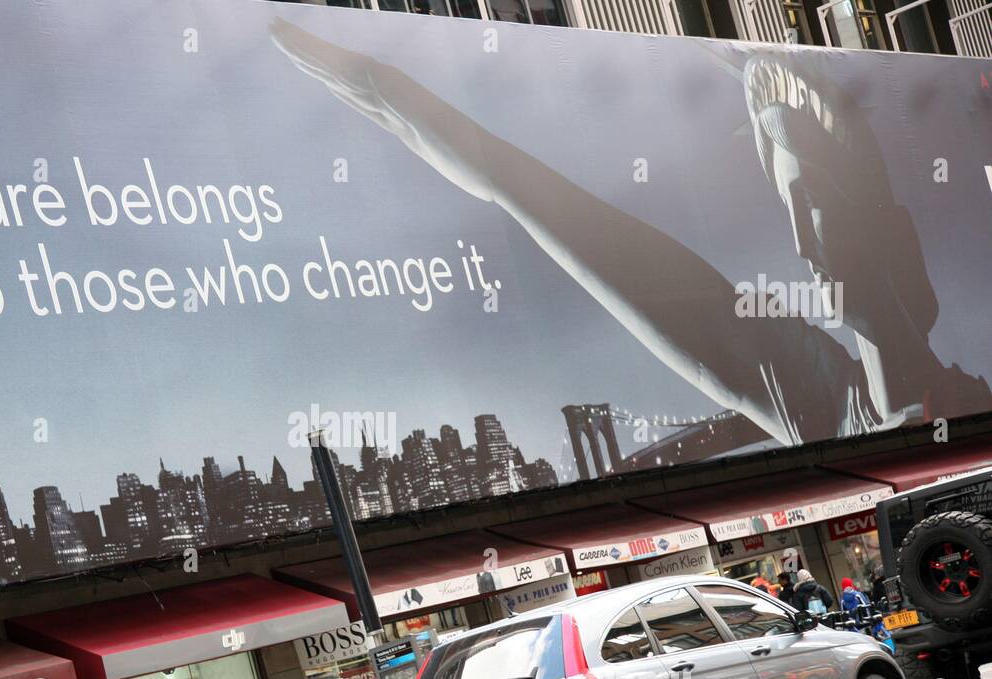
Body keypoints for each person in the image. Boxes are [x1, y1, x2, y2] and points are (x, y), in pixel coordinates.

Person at [267, 21, 990, 447]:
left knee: (554, 212)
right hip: (848, 402)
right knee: (552, 211)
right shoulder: (873, 362)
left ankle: (796, 133)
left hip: (850, 406)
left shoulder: (876, 363)